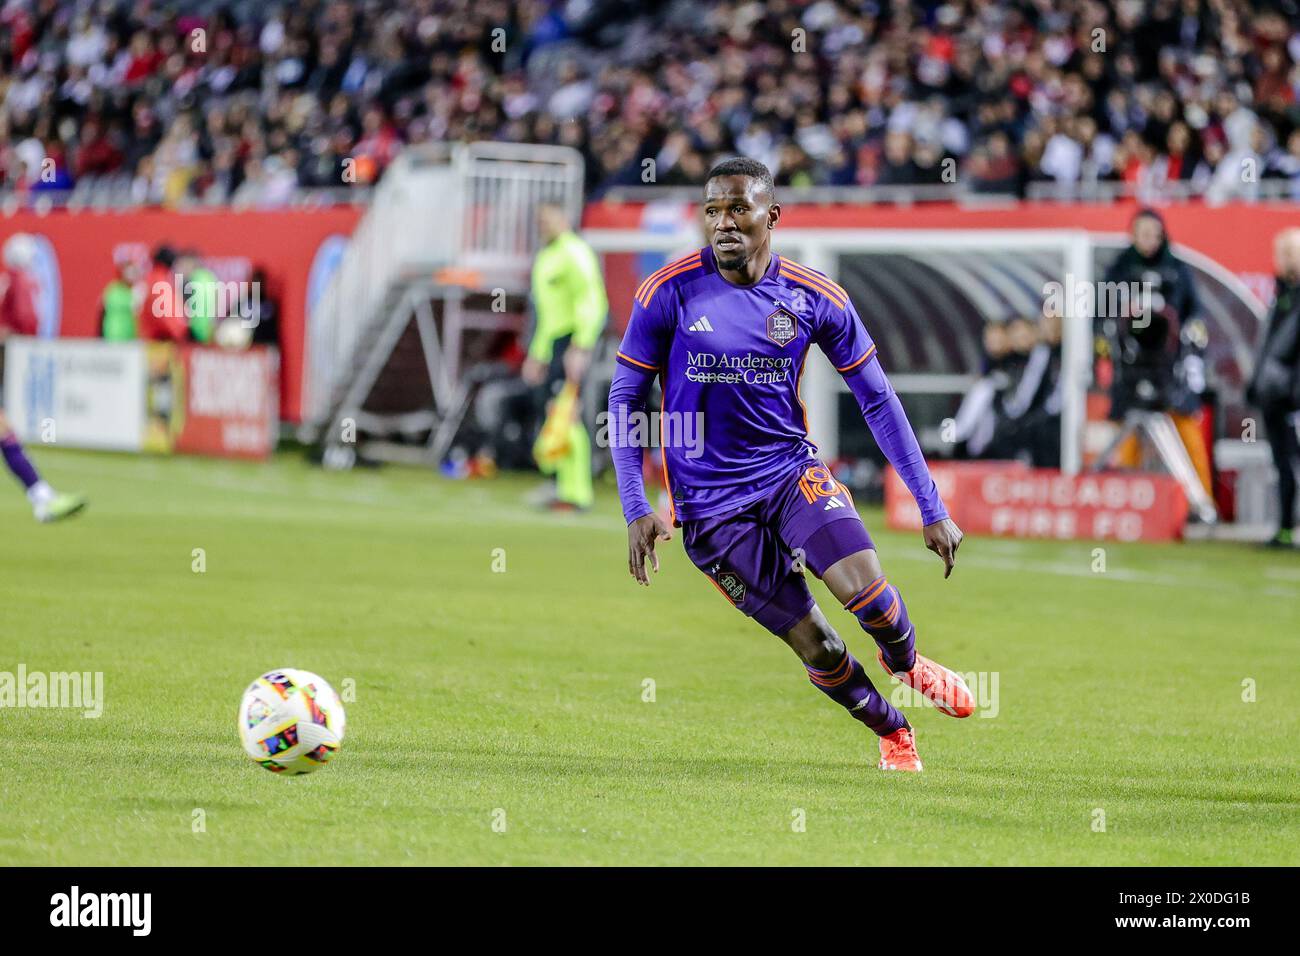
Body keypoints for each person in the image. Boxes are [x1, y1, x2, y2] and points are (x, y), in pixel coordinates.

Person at [607, 158, 974, 774]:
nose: (723, 223)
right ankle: (893, 729)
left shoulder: (813, 296)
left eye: (738, 209)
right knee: (821, 646)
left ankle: (907, 662)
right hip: (710, 512)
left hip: (787, 474)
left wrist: (930, 506)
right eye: (713, 211)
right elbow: (624, 399)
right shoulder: (666, 293)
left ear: (770, 216)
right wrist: (635, 504)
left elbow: (877, 399)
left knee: (870, 596)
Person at [1100, 208, 1212, 495]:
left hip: (1171, 367)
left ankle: (1199, 500)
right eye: (1144, 233)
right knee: (1128, 433)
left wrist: (1188, 341)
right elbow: (1101, 316)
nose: (1150, 240)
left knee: (1186, 429)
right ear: (1132, 235)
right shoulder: (1120, 269)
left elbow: (1196, 314)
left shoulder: (1177, 269)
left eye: (1155, 234)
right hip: (1131, 367)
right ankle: (1128, 497)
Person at [523, 201, 608, 511]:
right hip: (555, 343)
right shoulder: (546, 257)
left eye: (549, 218)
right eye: (540, 220)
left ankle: (577, 492)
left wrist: (581, 346)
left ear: (564, 218)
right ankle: (561, 485)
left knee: (568, 413)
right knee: (556, 413)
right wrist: (537, 354)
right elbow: (546, 315)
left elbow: (592, 301)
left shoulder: (576, 252)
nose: (543, 225)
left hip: (573, 340)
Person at [0, 234, 87, 523]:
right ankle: (41, 497)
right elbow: (26, 319)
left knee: (3, 428)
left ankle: (42, 497)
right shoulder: (17, 280)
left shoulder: (12, 279)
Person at [1245, 228, 1300, 548]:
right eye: (1282, 253)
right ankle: (1284, 528)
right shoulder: (1281, 296)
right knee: (1282, 463)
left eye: (1291, 253)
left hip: (1292, 396)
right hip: (1275, 395)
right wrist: (1257, 384)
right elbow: (1267, 346)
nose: (1285, 260)